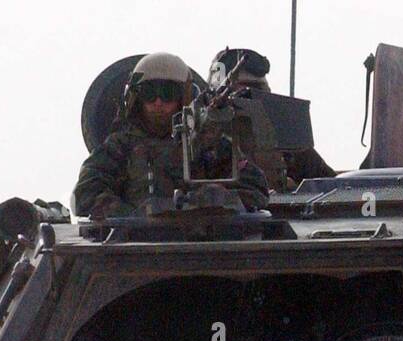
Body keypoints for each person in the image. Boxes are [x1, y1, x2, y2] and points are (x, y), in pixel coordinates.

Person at [74, 52, 268, 217]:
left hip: (201, 247)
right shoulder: (120, 146)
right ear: (136, 99)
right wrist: (137, 215)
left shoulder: (208, 145)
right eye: (150, 93)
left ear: (184, 98)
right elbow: (85, 193)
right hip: (135, 248)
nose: (158, 102)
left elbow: (255, 187)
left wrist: (216, 199)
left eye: (167, 93)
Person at [209, 47, 336, 188]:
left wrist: (291, 190)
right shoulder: (205, 147)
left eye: (260, 90)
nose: (255, 98)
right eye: (245, 91)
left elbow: (331, 185)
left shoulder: (285, 137)